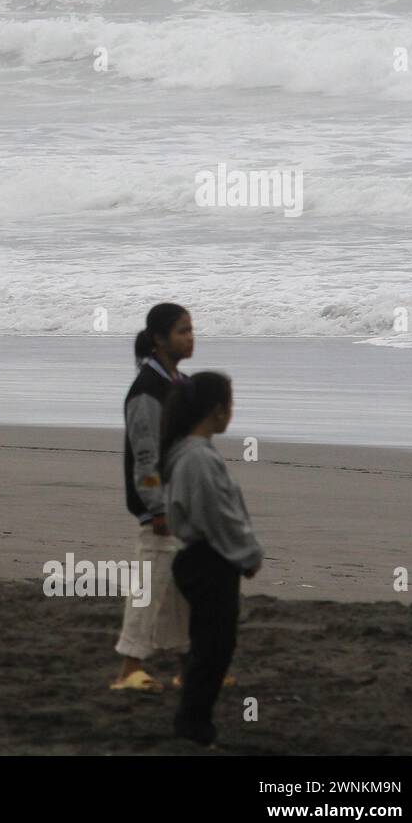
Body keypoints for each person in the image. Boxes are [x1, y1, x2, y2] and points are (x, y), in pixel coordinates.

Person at [160, 372, 264, 746]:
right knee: (213, 647)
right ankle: (193, 723)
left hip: (202, 558)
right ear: (218, 409)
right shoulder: (197, 458)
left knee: (211, 645)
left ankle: (194, 720)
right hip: (210, 561)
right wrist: (248, 554)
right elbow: (217, 515)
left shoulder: (188, 453)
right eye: (229, 403)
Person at [110, 303, 193, 692]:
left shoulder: (181, 383)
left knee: (180, 590)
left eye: (191, 329)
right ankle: (129, 669)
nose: (190, 337)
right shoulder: (147, 391)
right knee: (149, 584)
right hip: (158, 508)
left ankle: (187, 667)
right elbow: (145, 456)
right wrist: (156, 507)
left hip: (183, 503)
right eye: (182, 331)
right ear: (159, 339)